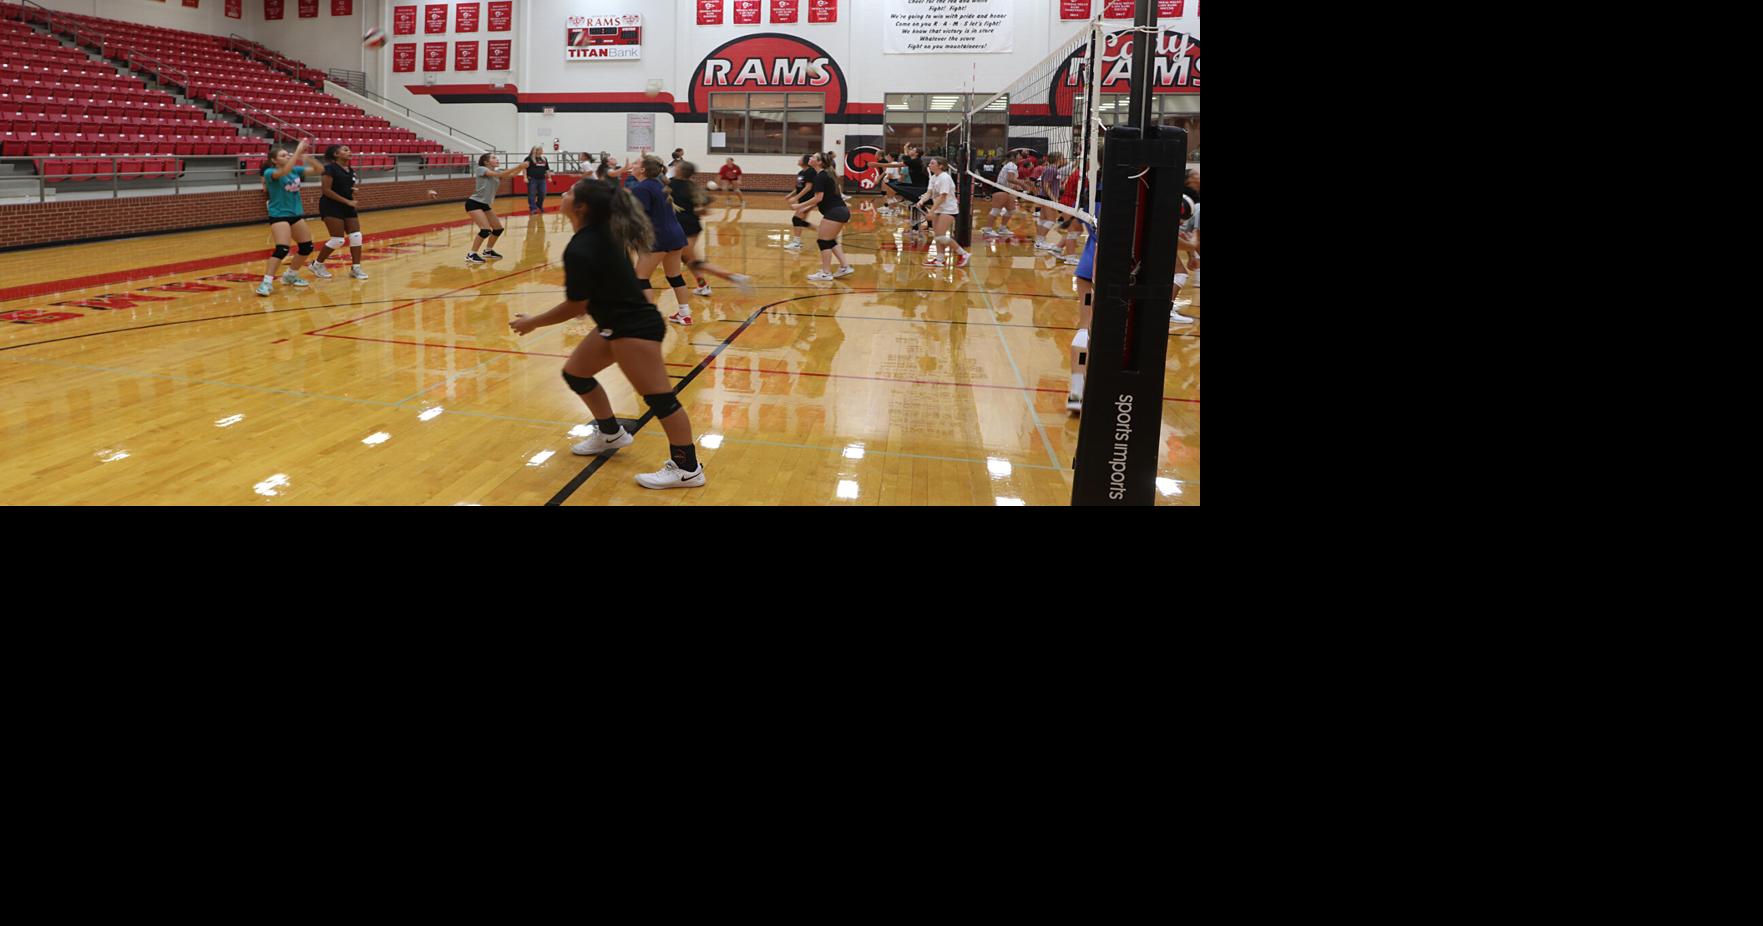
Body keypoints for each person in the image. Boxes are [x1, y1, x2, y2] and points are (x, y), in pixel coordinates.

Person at [508, 178, 707, 490]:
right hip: (615, 323)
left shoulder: (583, 247)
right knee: (577, 374)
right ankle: (611, 433)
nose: (563, 193)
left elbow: (577, 305)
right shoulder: (600, 234)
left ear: (581, 207)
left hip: (632, 328)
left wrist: (533, 322)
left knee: (661, 399)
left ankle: (687, 467)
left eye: (570, 192)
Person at [670, 160, 754, 298]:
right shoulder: (693, 187)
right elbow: (704, 212)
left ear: (679, 171)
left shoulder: (671, 185)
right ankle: (703, 286)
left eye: (676, 167)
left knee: (694, 262)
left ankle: (734, 277)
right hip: (693, 227)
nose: (674, 168)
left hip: (682, 228)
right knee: (688, 259)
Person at [628, 154, 695, 324]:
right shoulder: (658, 185)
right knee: (674, 276)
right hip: (675, 236)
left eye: (635, 163)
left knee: (641, 278)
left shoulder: (641, 188)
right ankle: (685, 314)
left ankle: (647, 318)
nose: (632, 164)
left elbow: (638, 217)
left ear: (642, 169)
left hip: (658, 239)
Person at [255, 138, 322, 297]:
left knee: (307, 247)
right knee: (282, 249)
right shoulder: (270, 172)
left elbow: (319, 170)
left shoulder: (295, 170)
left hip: (295, 214)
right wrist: (297, 152)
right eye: (283, 155)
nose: (287, 157)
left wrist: (308, 159)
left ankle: (290, 275)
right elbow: (284, 172)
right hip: (279, 215)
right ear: (274, 160)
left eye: (288, 155)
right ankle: (266, 282)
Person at [792, 152, 854, 282]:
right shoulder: (826, 174)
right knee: (830, 240)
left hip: (835, 212)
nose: (810, 158)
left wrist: (799, 206)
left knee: (823, 241)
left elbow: (818, 198)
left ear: (819, 162)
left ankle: (826, 273)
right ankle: (844, 267)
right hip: (840, 211)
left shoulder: (821, 176)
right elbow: (824, 199)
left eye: (814, 157)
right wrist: (806, 207)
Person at [310, 144, 368, 281]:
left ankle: (356, 268)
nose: (350, 152)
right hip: (331, 206)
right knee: (338, 239)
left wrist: (352, 190)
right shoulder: (329, 168)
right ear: (336, 154)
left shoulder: (350, 170)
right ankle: (317, 264)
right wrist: (347, 201)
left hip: (346, 205)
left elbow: (344, 186)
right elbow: (326, 190)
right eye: (345, 150)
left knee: (356, 236)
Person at [465, 153, 526, 264]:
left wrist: (521, 168)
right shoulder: (481, 169)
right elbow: (502, 174)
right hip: (474, 203)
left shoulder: (497, 172)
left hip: (485, 204)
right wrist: (518, 166)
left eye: (496, 158)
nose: (496, 159)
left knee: (498, 229)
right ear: (486, 162)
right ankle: (471, 254)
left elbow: (510, 175)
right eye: (493, 158)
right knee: (485, 230)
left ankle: (488, 251)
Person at [914, 155, 969, 268]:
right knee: (938, 235)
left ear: (941, 166)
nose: (929, 165)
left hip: (948, 209)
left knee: (940, 236)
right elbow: (929, 192)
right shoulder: (934, 177)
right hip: (939, 209)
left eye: (932, 163)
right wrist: (922, 200)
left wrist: (931, 211)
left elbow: (943, 197)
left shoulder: (944, 177)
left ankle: (963, 254)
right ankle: (940, 259)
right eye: (930, 163)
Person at [782, 153, 816, 252]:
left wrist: (796, 197)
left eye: (800, 158)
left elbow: (808, 187)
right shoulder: (801, 172)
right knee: (801, 222)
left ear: (805, 161)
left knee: (796, 219)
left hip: (809, 200)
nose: (798, 159)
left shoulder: (811, 172)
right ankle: (823, 232)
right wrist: (790, 195)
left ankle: (796, 243)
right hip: (802, 200)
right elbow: (799, 187)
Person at [522, 145, 550, 214]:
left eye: (541, 150)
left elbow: (547, 169)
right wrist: (525, 177)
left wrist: (549, 177)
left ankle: (539, 205)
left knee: (543, 193)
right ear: (535, 151)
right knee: (532, 194)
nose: (541, 151)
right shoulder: (529, 159)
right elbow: (524, 168)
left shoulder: (544, 159)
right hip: (532, 179)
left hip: (542, 179)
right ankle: (533, 208)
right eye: (540, 150)